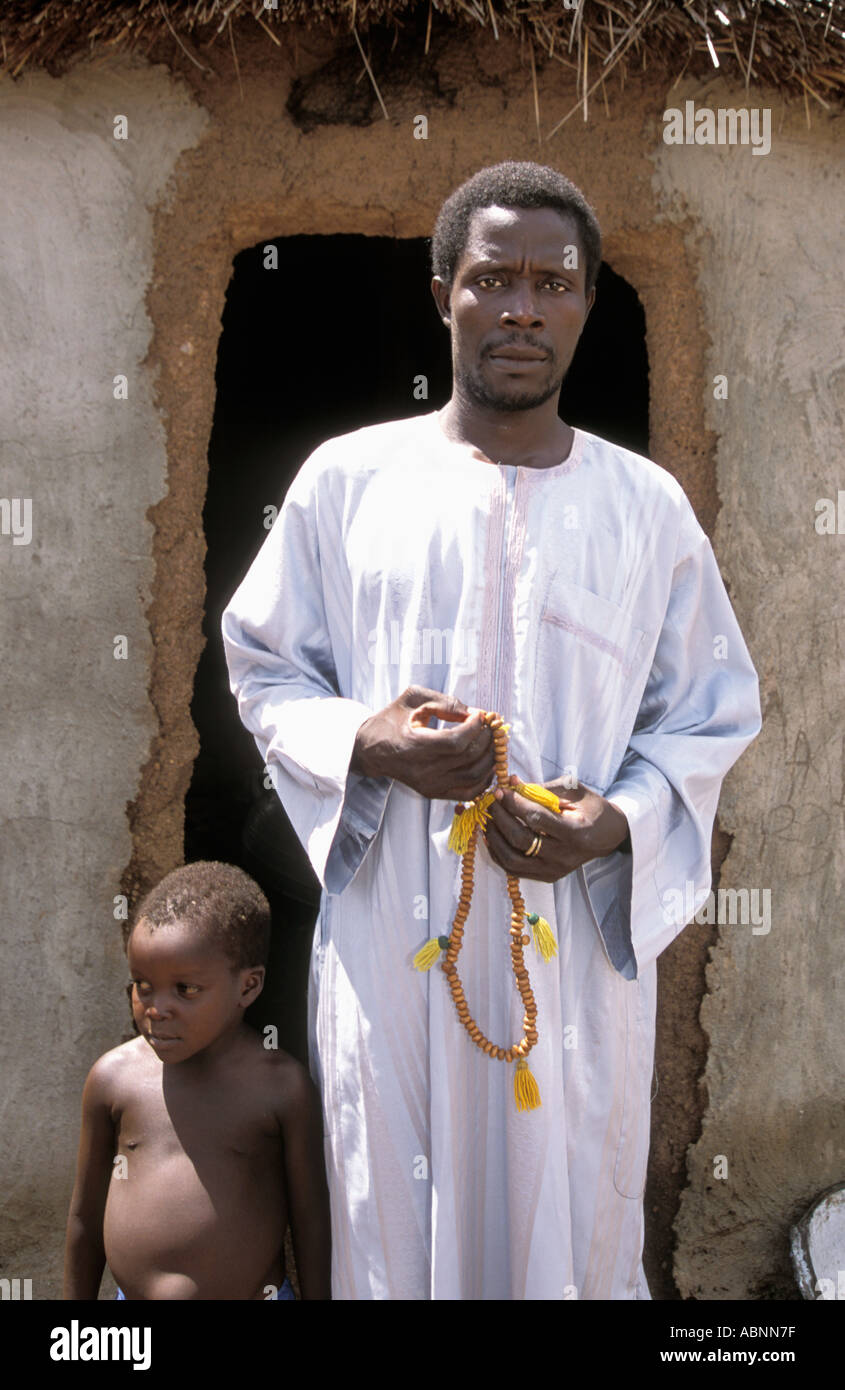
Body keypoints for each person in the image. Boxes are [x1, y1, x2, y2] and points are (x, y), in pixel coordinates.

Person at [221, 161, 761, 1299]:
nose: (522, 306)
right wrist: (367, 741)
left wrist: (612, 820)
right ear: (441, 295)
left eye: (552, 283)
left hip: (564, 956)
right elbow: (265, 667)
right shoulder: (348, 482)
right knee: (392, 1219)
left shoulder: (644, 507)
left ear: (586, 302)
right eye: (492, 278)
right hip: (389, 946)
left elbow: (709, 712)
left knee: (565, 1214)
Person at [63, 860, 331, 1300]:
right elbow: (84, 1220)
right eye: (142, 985)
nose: (156, 1007)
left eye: (185, 989)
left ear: (248, 987)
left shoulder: (279, 1087)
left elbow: (311, 1222)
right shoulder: (113, 1079)